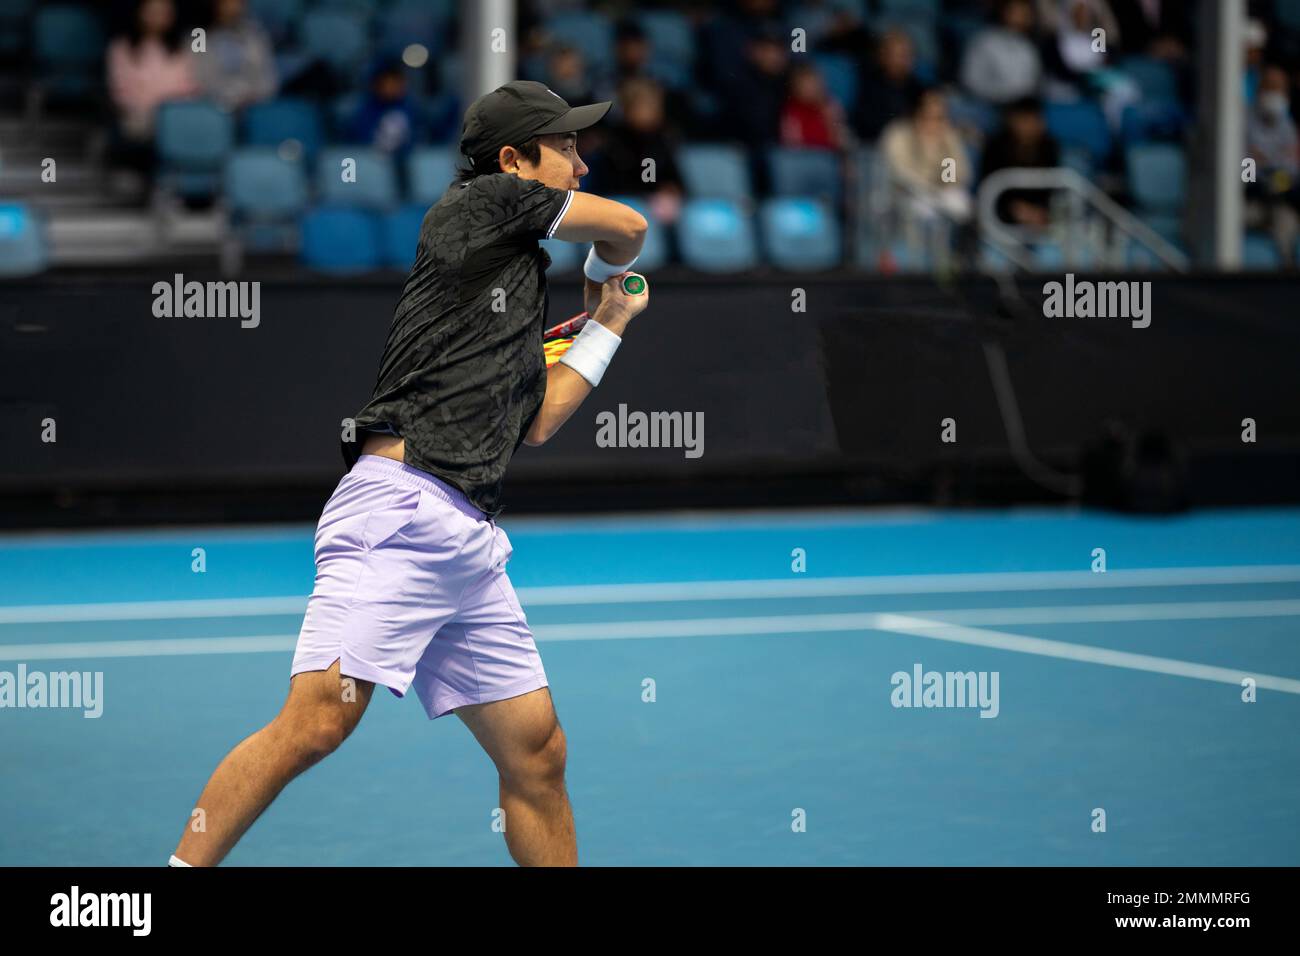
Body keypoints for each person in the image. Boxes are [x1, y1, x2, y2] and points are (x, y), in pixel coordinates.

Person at [170, 81, 650, 867]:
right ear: (511, 160)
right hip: (398, 511)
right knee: (317, 722)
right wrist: (604, 265)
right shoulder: (481, 204)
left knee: (537, 755)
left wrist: (607, 322)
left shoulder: (516, 278)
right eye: (564, 147)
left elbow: (538, 420)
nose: (579, 159)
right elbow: (629, 225)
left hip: (467, 542)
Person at [593, 78, 685, 225]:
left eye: (655, 104)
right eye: (645, 105)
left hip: (658, 209)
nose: (652, 110)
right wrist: (648, 195)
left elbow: (675, 180)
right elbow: (609, 186)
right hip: (621, 207)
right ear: (627, 108)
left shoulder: (662, 139)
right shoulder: (614, 142)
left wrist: (671, 189)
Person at [107, 0, 198, 146]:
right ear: (140, 13)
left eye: (164, 12)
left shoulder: (184, 48)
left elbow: (190, 88)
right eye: (153, 11)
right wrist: (151, 111)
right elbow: (120, 92)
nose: (158, 17)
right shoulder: (121, 47)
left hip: (176, 118)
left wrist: (169, 112)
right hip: (137, 119)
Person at [1245, 65, 1300, 266]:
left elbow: (1291, 173)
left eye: (1279, 89)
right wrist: (1269, 172)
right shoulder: (1244, 123)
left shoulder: (1288, 127)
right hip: (1250, 203)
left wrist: (1271, 172)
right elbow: (1247, 175)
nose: (1274, 94)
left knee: (1287, 224)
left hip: (1279, 202)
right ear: (1260, 91)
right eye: (1270, 87)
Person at [979, 96, 1061, 228]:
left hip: (1041, 220)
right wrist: (1017, 210)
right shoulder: (995, 148)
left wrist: (1038, 212)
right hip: (1001, 219)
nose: (1030, 126)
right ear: (1012, 121)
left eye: (1034, 119)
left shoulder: (1050, 148)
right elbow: (986, 188)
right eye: (1025, 120)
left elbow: (1054, 189)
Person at [192, 0, 277, 112]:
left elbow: (268, 78)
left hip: (256, 108)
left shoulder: (255, 34)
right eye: (228, 2)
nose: (234, 6)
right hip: (215, 110)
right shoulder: (199, 35)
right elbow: (200, 79)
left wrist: (253, 98)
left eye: (239, 2)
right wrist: (232, 99)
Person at [960, 0, 1043, 105]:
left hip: (1019, 107)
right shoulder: (984, 40)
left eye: (1024, 13)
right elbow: (970, 80)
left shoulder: (1029, 47)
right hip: (985, 105)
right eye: (1016, 12)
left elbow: (1034, 84)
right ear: (1004, 12)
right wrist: (1003, 95)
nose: (1021, 17)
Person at [854, 29, 923, 142]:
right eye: (899, 55)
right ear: (883, 56)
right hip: (878, 146)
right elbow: (866, 126)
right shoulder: (869, 85)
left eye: (908, 54)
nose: (905, 60)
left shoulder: (917, 86)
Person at [780, 62, 847, 151]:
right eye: (804, 86)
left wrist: (829, 118)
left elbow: (839, 139)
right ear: (795, 88)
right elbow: (792, 143)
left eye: (812, 85)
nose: (809, 90)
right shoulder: (792, 110)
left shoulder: (831, 106)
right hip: (802, 155)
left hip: (828, 154)